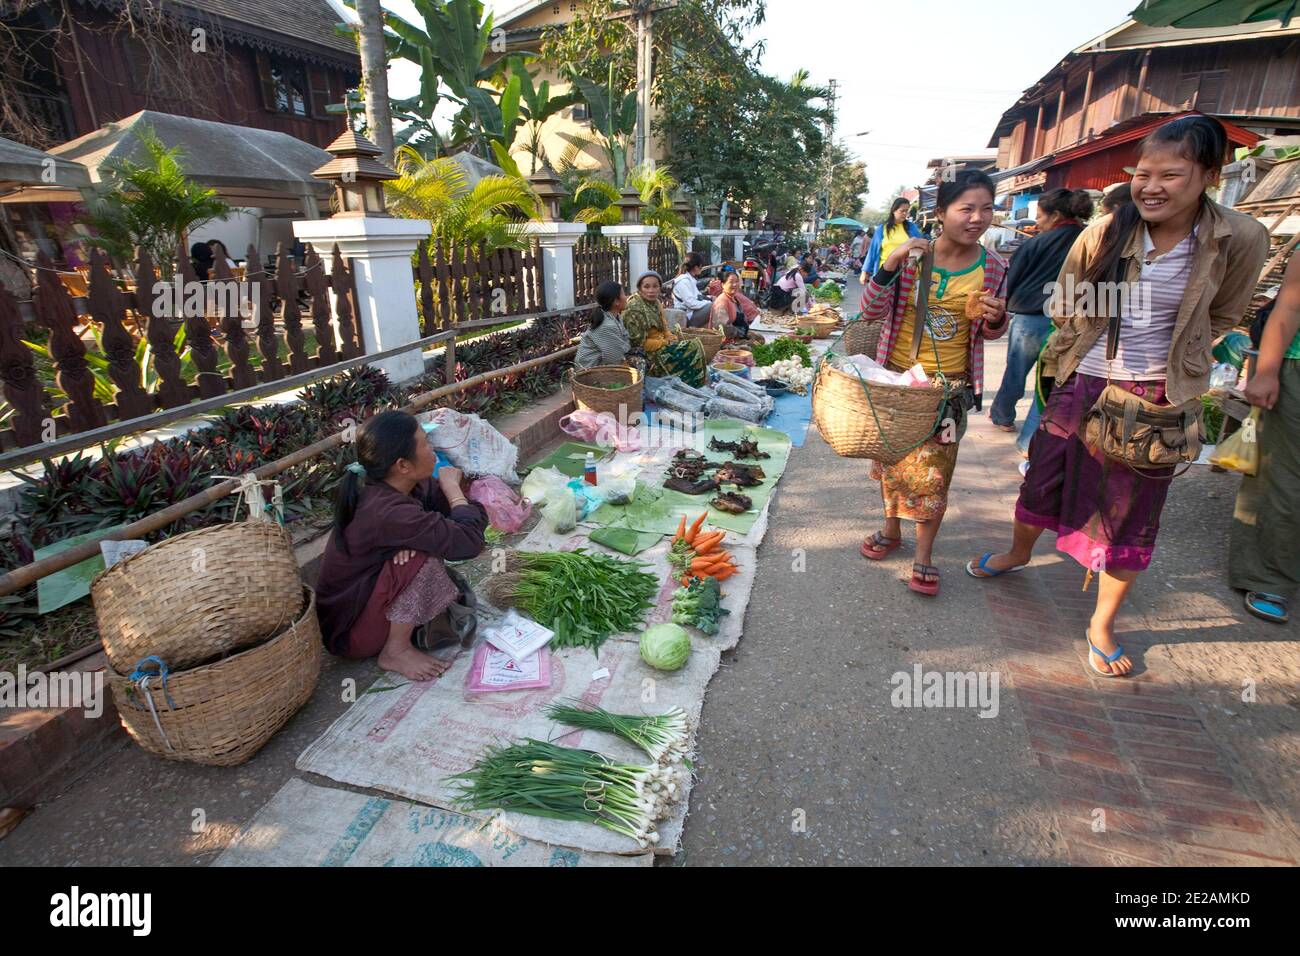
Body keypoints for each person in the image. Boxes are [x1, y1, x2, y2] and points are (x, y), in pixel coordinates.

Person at [969, 114, 1269, 677]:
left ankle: (1102, 622)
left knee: (1131, 512)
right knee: (1042, 477)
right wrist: (1119, 304)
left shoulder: (1241, 237)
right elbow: (1064, 302)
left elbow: (1226, 312)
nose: (1151, 187)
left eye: (1171, 175)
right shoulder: (1107, 230)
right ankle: (1019, 551)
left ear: (1209, 174)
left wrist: (1174, 348)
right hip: (1082, 380)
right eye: (1143, 173)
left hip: (1159, 393)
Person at [858, 169, 1009, 596]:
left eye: (986, 208)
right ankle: (891, 532)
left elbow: (990, 332)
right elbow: (870, 310)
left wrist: (997, 318)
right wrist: (890, 262)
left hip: (949, 387)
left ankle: (923, 556)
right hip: (896, 378)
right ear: (941, 213)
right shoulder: (913, 258)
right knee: (890, 462)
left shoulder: (994, 267)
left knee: (934, 476)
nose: (977, 217)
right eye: (966, 208)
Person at [316, 410, 489, 681]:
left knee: (423, 545)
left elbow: (473, 519)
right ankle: (395, 651)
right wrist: (454, 491)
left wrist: (455, 504)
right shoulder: (388, 511)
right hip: (351, 634)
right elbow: (467, 543)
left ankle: (398, 633)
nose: (434, 450)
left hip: (370, 605)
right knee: (422, 556)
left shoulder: (409, 485)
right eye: (426, 444)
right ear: (403, 465)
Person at [1230, 253, 1300, 624]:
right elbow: (1289, 306)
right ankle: (1269, 577)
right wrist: (1267, 371)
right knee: (1284, 479)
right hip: (1296, 370)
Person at [990, 188, 1094, 439]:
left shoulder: (1035, 243)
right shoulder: (1089, 241)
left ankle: (1003, 416)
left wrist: (1002, 304)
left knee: (1016, 370)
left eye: (1040, 216)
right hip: (1070, 322)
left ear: (1055, 215)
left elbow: (1010, 279)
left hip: (1030, 317)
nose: (1037, 222)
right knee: (1050, 379)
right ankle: (1033, 435)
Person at [622, 270, 708, 387]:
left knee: (693, 345)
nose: (651, 291)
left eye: (655, 286)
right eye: (646, 287)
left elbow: (664, 326)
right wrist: (665, 342)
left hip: (660, 343)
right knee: (692, 348)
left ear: (659, 288)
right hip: (644, 352)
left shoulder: (656, 302)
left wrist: (669, 337)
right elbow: (638, 343)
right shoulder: (634, 308)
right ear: (640, 288)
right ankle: (689, 386)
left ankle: (688, 385)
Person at [863, 197, 924, 281]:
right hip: (883, 272)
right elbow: (872, 251)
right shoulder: (882, 229)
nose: (905, 214)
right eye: (902, 211)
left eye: (906, 211)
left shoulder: (911, 228)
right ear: (894, 210)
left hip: (904, 274)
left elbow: (920, 245)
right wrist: (865, 271)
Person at [574, 280, 630, 369]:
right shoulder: (607, 326)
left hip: (600, 367)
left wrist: (623, 347)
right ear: (616, 301)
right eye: (623, 294)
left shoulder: (615, 316)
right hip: (589, 372)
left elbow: (625, 338)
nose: (626, 297)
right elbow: (614, 359)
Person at [666, 254, 713, 327]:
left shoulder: (690, 280)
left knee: (715, 303)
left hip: (691, 313)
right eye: (701, 267)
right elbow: (691, 303)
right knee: (714, 306)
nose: (701, 269)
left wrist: (710, 298)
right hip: (687, 317)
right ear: (696, 267)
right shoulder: (683, 282)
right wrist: (709, 302)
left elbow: (698, 296)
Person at [710, 271, 751, 339]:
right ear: (723, 284)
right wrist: (739, 333)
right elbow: (722, 327)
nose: (735, 284)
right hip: (726, 341)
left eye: (737, 281)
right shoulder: (722, 302)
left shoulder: (733, 298)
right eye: (731, 282)